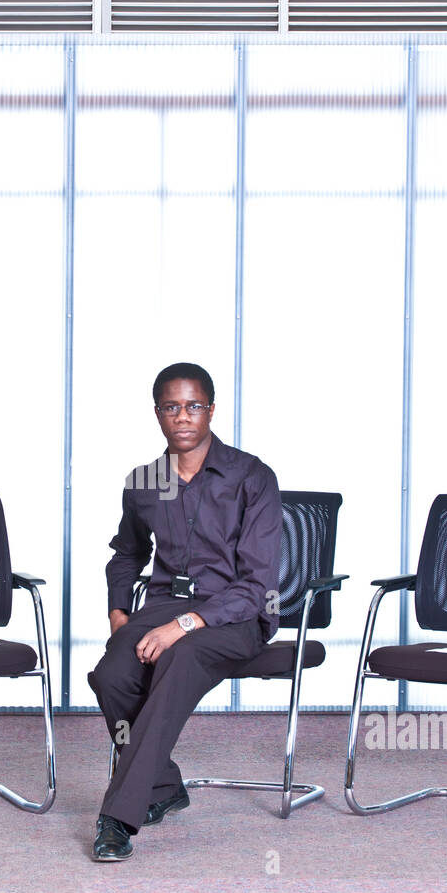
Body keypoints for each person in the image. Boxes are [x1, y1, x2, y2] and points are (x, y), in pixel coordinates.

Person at [88, 362, 283, 861]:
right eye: (171, 407)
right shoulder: (144, 481)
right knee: (112, 674)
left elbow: (258, 583)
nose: (183, 417)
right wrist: (118, 611)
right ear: (157, 414)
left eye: (194, 406)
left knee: (177, 659)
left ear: (211, 410)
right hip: (164, 605)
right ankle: (163, 784)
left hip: (235, 613)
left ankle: (118, 816)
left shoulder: (251, 477)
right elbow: (128, 552)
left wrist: (187, 624)